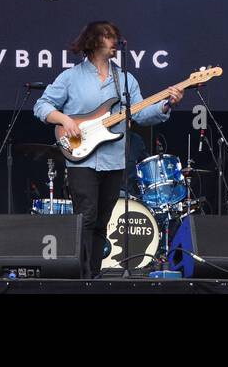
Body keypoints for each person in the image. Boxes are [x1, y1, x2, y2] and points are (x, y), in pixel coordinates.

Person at [34, 22, 183, 277]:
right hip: (82, 160)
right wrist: (65, 120)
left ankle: (93, 274)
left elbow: (142, 114)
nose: (114, 41)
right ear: (93, 42)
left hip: (114, 160)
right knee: (87, 217)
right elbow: (42, 105)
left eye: (115, 37)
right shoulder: (71, 78)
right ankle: (79, 275)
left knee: (102, 220)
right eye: (108, 36)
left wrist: (166, 105)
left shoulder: (125, 79)